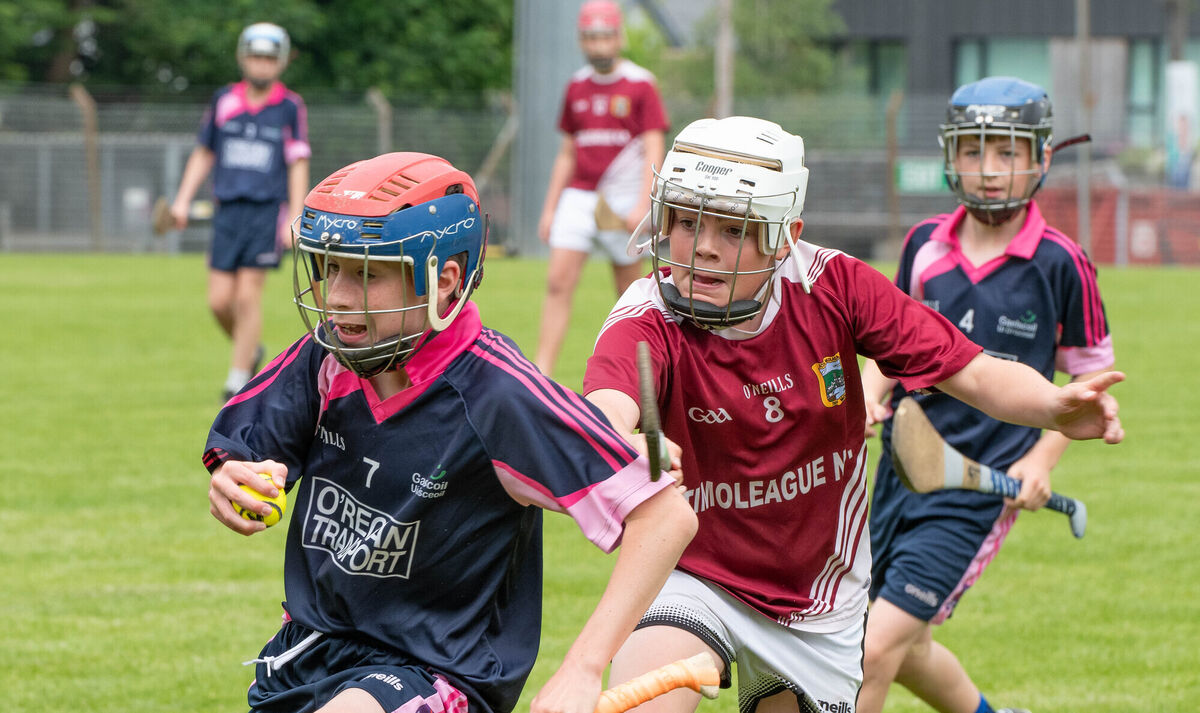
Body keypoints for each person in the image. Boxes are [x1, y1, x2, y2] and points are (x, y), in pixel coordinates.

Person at [581, 115, 1124, 713]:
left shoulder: (834, 285)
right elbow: (607, 407)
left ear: (784, 236)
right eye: (687, 221)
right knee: (646, 700)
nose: (704, 246)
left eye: (733, 228)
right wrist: (621, 441)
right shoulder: (646, 315)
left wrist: (1052, 406)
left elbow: (969, 371)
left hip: (818, 601)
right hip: (696, 575)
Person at [202, 151, 696, 713]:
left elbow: (665, 517)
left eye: (366, 273)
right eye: (330, 267)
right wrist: (232, 477)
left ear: (444, 281)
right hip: (308, 650)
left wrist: (582, 669)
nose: (336, 296)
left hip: (436, 673)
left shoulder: (496, 393)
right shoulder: (327, 359)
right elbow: (242, 445)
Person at [856, 77, 1117, 713]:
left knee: (871, 648)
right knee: (901, 645)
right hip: (899, 472)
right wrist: (867, 390)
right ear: (951, 156)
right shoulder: (923, 245)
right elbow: (893, 343)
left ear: (1042, 157)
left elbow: (1086, 384)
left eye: (1007, 151)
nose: (990, 170)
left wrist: (1040, 461)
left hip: (977, 492)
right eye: (974, 152)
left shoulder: (1061, 262)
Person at [171, 22, 311, 401]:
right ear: (242, 58)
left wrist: (296, 214)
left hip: (266, 212)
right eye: (255, 56)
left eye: (269, 58)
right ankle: (250, 348)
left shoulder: (289, 107)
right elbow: (204, 153)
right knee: (218, 301)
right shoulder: (224, 101)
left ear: (280, 62)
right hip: (228, 212)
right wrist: (182, 200)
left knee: (248, 298)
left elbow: (297, 162)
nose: (261, 64)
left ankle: (238, 378)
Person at [534, 0, 669, 377]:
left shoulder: (641, 83)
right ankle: (540, 374)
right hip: (579, 196)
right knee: (557, 282)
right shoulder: (576, 85)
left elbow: (654, 147)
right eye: (591, 37)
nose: (599, 44)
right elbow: (567, 153)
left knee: (630, 293)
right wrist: (550, 208)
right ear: (582, 40)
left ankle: (637, 374)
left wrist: (644, 204)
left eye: (605, 36)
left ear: (619, 37)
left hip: (623, 199)